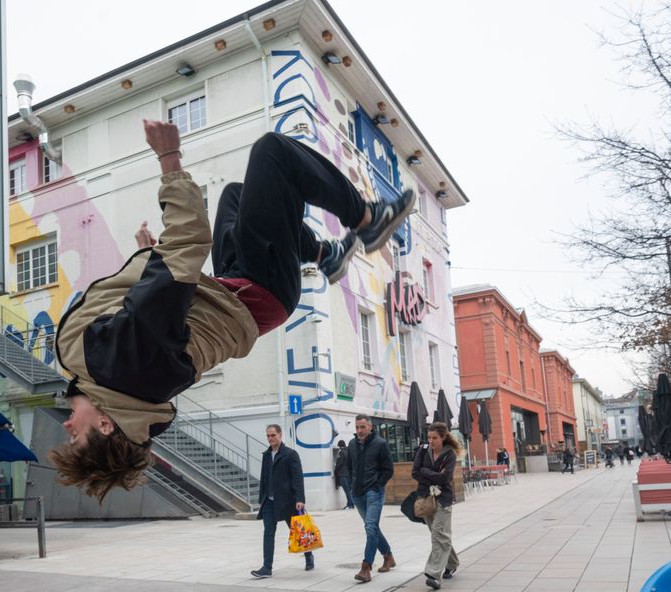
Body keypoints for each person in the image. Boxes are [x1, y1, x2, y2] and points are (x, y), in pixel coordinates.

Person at [52, 121, 417, 501]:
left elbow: (148, 308)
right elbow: (189, 241)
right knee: (272, 153)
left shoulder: (125, 383)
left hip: (231, 286)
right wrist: (169, 158)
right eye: (75, 434)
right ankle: (367, 220)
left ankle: (325, 255)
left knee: (235, 197)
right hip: (260, 289)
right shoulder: (124, 365)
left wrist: (149, 259)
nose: (67, 423)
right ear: (107, 425)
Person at [251, 424, 307, 578]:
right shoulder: (266, 455)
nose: (270, 438)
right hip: (269, 501)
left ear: (280, 435)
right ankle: (266, 568)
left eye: (273, 435)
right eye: (268, 436)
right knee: (268, 532)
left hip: (287, 501)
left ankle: (308, 556)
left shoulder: (290, 454)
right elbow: (264, 477)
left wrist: (300, 498)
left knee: (297, 532)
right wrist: (262, 498)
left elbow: (298, 477)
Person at [347, 415, 395, 583]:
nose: (359, 431)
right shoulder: (352, 444)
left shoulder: (380, 443)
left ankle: (366, 567)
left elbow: (388, 469)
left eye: (363, 427)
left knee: (370, 526)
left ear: (370, 427)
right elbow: (348, 467)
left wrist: (378, 485)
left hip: (374, 492)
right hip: (357, 493)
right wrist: (350, 486)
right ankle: (388, 556)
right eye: (357, 427)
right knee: (372, 527)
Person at [414, 422, 460, 590]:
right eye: (429, 437)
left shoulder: (450, 455)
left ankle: (433, 574)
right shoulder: (423, 450)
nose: (431, 441)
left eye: (435, 438)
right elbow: (415, 472)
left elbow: (445, 478)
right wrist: (432, 474)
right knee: (439, 534)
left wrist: (424, 472)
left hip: (444, 499)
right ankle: (452, 562)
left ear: (443, 437)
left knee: (438, 534)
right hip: (426, 499)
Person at [333, 440, 353, 509]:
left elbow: (339, 463)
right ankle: (350, 504)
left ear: (339, 445)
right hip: (348, 474)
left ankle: (350, 505)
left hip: (342, 474)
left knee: (346, 491)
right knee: (349, 490)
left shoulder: (342, 452)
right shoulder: (348, 451)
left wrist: (335, 470)